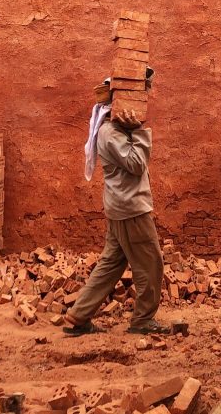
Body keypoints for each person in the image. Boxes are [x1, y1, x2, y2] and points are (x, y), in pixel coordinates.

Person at [63, 70, 168, 336]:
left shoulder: (114, 130)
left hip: (120, 206)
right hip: (131, 209)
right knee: (151, 263)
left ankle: (78, 316)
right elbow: (136, 164)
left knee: (111, 263)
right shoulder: (111, 132)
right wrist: (139, 131)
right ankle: (143, 320)